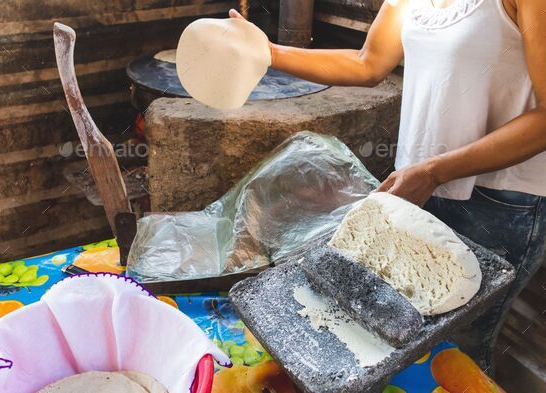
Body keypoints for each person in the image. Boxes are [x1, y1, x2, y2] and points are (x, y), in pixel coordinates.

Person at [230, 0, 546, 374]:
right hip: (418, 190)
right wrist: (268, 52)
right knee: (405, 340)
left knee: (459, 350)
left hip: (499, 200)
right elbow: (368, 63)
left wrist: (435, 170)